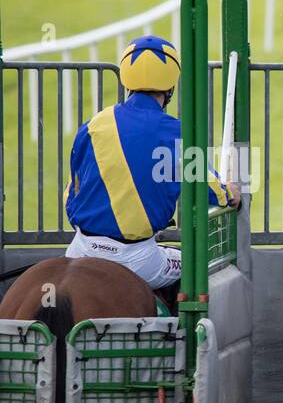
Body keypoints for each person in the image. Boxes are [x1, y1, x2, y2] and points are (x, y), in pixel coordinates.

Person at [64, 35, 239, 308]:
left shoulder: (92, 126)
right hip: (137, 257)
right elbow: (209, 188)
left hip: (81, 249)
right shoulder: (178, 131)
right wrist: (231, 194)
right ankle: (182, 341)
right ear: (170, 85)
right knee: (193, 266)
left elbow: (71, 194)